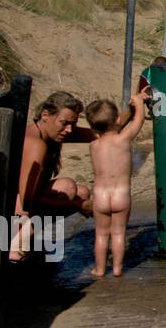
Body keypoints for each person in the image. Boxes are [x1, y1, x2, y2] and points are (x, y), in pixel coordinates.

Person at [12, 92, 95, 260]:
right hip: (13, 208)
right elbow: (28, 202)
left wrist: (134, 109)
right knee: (68, 188)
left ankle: (26, 241)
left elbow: (104, 131)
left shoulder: (51, 132)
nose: (69, 130)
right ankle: (15, 247)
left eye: (72, 124)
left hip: (22, 203)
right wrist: (78, 206)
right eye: (64, 123)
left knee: (82, 192)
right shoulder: (36, 144)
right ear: (45, 116)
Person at [84, 94, 147, 277]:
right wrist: (139, 103)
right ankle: (118, 268)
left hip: (100, 197)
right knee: (119, 233)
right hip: (121, 195)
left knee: (101, 235)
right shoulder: (123, 139)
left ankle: (100, 269)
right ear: (118, 119)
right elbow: (138, 121)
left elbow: (107, 128)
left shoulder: (94, 145)